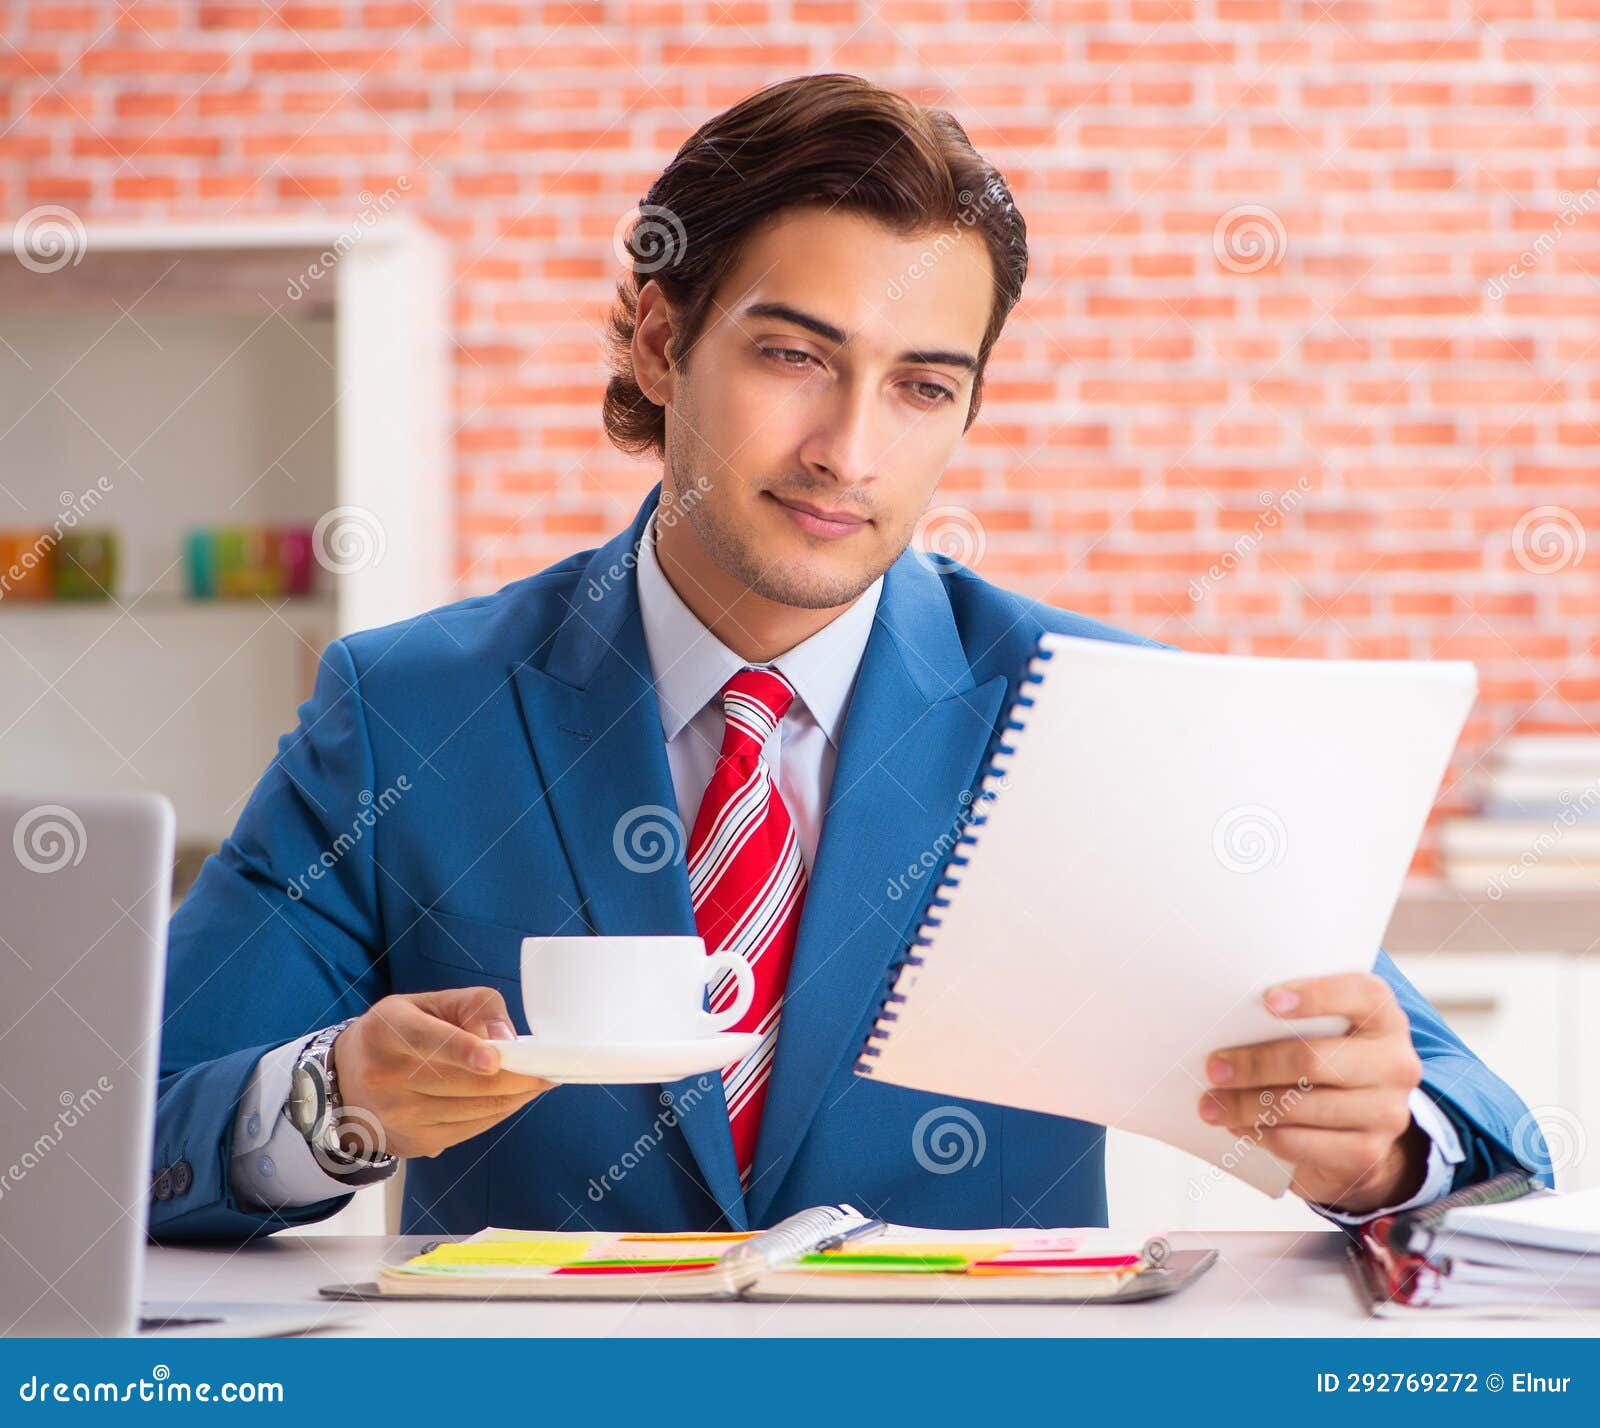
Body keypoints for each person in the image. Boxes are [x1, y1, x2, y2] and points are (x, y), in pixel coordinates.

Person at [152, 73, 1549, 1241]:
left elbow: (1477, 1126)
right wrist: (336, 1103)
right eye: (794, 358)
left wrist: (1377, 1149)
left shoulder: (1100, 718)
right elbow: (121, 1128)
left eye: (924, 386)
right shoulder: (411, 711)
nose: (849, 451)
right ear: (656, 338)